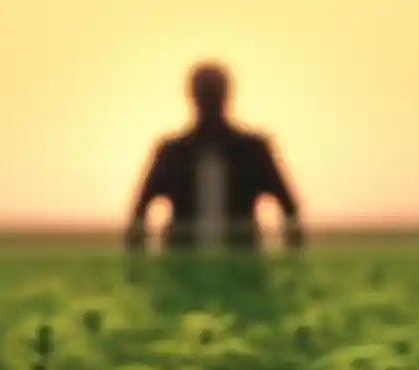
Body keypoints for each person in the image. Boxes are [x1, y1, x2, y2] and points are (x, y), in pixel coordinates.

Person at [125, 61, 304, 255]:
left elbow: (290, 211)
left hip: (231, 269)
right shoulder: (251, 150)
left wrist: (137, 269)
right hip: (191, 270)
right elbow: (291, 212)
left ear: (192, 96)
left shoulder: (252, 150)